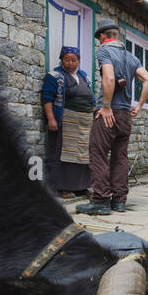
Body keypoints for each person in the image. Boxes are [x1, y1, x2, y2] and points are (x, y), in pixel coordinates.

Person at [77, 21, 148, 216]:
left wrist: (106, 107)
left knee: (98, 154)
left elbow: (109, 78)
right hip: (125, 115)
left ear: (102, 37)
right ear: (116, 36)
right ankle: (119, 201)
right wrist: (139, 106)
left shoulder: (104, 52)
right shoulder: (131, 57)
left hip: (109, 114)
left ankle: (101, 200)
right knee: (120, 157)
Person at [40, 46, 92, 198]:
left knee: (82, 154)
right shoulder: (54, 75)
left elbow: (91, 97)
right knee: (62, 154)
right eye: (67, 60)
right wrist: (51, 118)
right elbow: (47, 97)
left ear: (78, 61)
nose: (70, 63)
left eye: (74, 60)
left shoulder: (84, 76)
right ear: (61, 60)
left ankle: (81, 187)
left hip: (84, 122)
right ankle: (62, 188)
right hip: (65, 120)